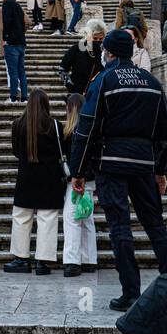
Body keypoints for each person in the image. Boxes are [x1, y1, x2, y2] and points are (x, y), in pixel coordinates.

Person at [68, 29, 167, 311]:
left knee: (120, 227)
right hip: (143, 163)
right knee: (155, 225)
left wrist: (77, 171)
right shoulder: (152, 83)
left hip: (111, 162)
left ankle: (131, 291)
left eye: (104, 49)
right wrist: (161, 170)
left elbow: (87, 127)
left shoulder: (104, 79)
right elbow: (163, 133)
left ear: (110, 52)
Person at [3, 89, 66, 275]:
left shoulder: (18, 125)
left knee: (21, 218)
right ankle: (42, 262)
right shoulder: (55, 125)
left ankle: (21, 259)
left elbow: (16, 152)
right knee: (48, 219)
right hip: (50, 178)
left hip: (26, 177)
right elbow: (60, 151)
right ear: (46, 104)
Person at [59, 92, 97, 277]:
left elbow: (75, 157)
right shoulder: (90, 127)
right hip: (90, 179)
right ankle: (90, 259)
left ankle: (72, 261)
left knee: (72, 219)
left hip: (77, 179)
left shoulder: (74, 131)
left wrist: (75, 175)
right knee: (86, 217)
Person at [0, 0, 29, 104]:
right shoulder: (18, 6)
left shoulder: (7, 4)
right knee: (21, 71)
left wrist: (5, 38)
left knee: (12, 71)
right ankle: (24, 97)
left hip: (11, 43)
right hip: (21, 43)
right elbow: (24, 23)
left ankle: (13, 97)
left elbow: (7, 22)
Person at [60, 19, 105, 94]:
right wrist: (69, 84)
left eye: (100, 39)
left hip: (98, 93)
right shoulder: (76, 49)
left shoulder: (105, 52)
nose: (98, 41)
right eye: (95, 38)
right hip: (77, 93)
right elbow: (62, 69)